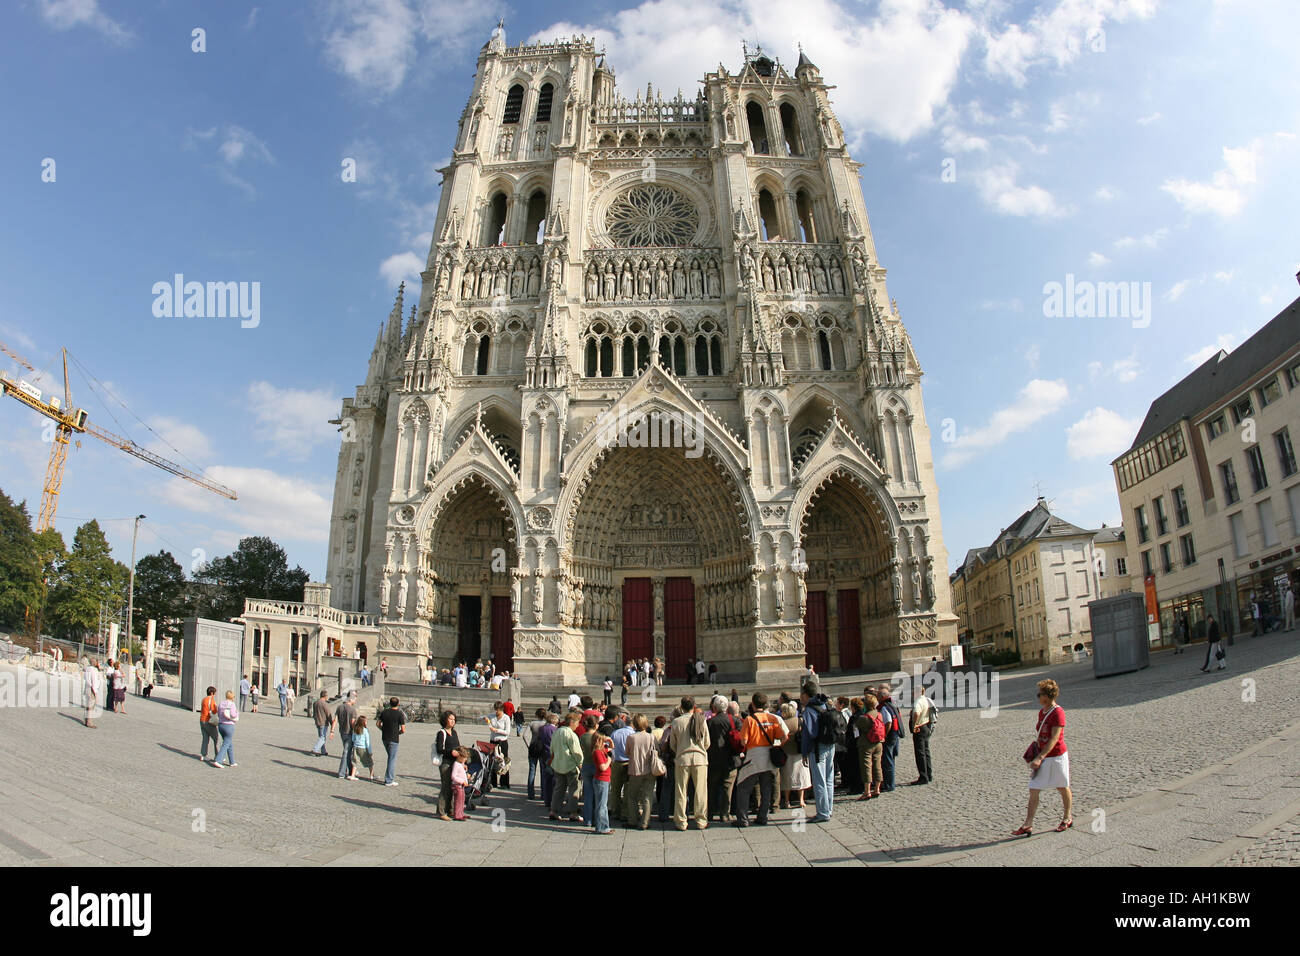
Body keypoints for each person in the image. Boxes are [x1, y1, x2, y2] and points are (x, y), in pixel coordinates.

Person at [1014, 678, 1073, 835]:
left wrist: (1040, 757)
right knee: (1034, 788)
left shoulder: (1058, 712)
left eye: (1039, 694)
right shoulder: (1042, 712)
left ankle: (1067, 817)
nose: (1038, 697)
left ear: (1047, 696)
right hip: (1042, 755)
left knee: (1062, 786)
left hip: (1056, 756)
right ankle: (1028, 824)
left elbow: (1054, 738)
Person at [732, 692, 788, 827]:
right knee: (766, 788)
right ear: (766, 704)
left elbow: (744, 741)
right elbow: (784, 736)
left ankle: (743, 818)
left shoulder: (750, 720)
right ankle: (763, 816)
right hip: (769, 754)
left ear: (752, 704)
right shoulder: (772, 718)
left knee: (743, 786)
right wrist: (778, 746)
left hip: (754, 755)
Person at [670, 696, 710, 830]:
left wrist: (681, 750)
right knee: (700, 791)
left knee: (681, 791)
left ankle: (681, 821)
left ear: (681, 707)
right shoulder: (701, 720)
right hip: (700, 759)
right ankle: (701, 820)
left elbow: (673, 744)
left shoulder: (676, 722)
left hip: (682, 759)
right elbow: (707, 742)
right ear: (694, 706)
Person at [799, 681, 837, 823]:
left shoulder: (809, 710)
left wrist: (804, 753)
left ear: (806, 695)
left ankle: (822, 813)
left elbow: (808, 733)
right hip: (830, 745)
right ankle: (828, 809)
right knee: (828, 779)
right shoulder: (826, 704)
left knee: (819, 780)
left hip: (817, 748)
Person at [706, 695, 742, 824]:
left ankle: (709, 813)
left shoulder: (710, 722)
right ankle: (724, 814)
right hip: (730, 759)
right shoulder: (734, 721)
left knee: (712, 787)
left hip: (714, 759)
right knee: (728, 788)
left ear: (715, 707)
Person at [624, 714, 658, 830]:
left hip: (635, 769)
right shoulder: (651, 737)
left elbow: (627, 753)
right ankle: (645, 822)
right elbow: (657, 751)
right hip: (649, 770)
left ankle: (632, 820)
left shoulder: (631, 737)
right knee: (647, 797)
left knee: (632, 796)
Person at [548, 710, 584, 822]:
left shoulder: (557, 732)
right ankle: (573, 812)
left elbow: (552, 749)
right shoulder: (571, 735)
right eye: (577, 722)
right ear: (572, 722)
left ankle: (553, 811)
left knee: (559, 789)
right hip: (570, 765)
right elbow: (576, 752)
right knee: (574, 789)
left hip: (558, 764)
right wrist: (581, 764)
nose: (578, 725)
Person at [779, 701, 809, 809]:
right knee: (801, 776)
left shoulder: (783, 723)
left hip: (786, 752)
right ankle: (801, 799)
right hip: (799, 751)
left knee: (787, 777)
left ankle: (787, 801)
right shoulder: (799, 721)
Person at [855, 693, 885, 800]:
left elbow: (857, 728)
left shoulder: (864, 717)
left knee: (866, 767)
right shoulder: (879, 714)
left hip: (866, 744)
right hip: (879, 743)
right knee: (877, 765)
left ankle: (867, 791)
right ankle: (877, 788)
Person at [435, 711, 461, 821]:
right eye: (450, 719)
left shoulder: (454, 732)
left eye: (454, 719)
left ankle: (450, 810)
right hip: (445, 762)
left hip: (455, 762)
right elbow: (439, 749)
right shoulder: (441, 733)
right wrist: (451, 752)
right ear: (445, 720)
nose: (452, 721)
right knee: (445, 787)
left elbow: (458, 746)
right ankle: (441, 811)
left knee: (453, 787)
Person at [877, 684, 903, 792]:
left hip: (890, 736)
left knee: (887, 761)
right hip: (895, 735)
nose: (877, 699)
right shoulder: (892, 704)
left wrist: (884, 734)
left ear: (882, 697)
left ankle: (889, 785)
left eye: (878, 696)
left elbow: (888, 722)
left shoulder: (884, 707)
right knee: (890, 759)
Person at [909, 683, 935, 785]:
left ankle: (923, 776)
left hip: (919, 727)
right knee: (926, 751)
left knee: (920, 753)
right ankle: (929, 774)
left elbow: (916, 713)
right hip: (926, 726)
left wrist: (914, 725)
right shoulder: (925, 699)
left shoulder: (918, 702)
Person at [378, 697, 406, 787]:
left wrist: (383, 729)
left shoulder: (384, 712)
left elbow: (377, 724)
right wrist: (398, 733)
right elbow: (403, 729)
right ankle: (389, 780)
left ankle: (388, 778)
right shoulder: (399, 714)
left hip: (385, 737)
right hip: (394, 738)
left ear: (390, 703)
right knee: (392, 759)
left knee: (390, 757)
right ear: (398, 704)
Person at [590, 732, 615, 834]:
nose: (604, 742)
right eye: (602, 740)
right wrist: (609, 760)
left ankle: (603, 826)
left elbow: (612, 748)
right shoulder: (597, 752)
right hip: (601, 779)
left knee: (602, 804)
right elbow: (602, 767)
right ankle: (602, 827)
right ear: (598, 741)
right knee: (602, 805)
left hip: (604, 779)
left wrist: (609, 740)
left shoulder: (602, 749)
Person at [485, 701, 512, 790]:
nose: (496, 712)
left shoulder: (506, 718)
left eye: (498, 710)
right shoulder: (492, 716)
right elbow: (488, 721)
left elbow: (507, 732)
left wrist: (497, 730)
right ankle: (493, 782)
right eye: (495, 710)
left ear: (501, 710)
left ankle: (504, 782)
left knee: (503, 761)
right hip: (493, 741)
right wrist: (487, 721)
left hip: (502, 742)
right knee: (492, 761)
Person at [335, 690, 359, 780]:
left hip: (342, 732)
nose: (356, 700)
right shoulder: (352, 710)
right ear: (351, 699)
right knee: (346, 752)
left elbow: (335, 719)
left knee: (348, 752)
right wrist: (357, 732)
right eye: (355, 698)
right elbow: (353, 723)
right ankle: (341, 772)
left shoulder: (340, 707)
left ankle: (350, 771)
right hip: (349, 733)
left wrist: (332, 731)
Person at [525, 708, 548, 800]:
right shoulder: (546, 724)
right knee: (543, 772)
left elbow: (525, 735)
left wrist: (529, 745)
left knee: (532, 770)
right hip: (543, 748)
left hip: (533, 747)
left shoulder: (532, 723)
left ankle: (531, 794)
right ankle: (543, 793)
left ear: (536, 714)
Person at [213, 690, 238, 768]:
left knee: (228, 742)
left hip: (221, 725)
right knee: (226, 743)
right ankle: (218, 760)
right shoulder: (232, 704)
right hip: (229, 725)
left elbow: (218, 713)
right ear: (232, 697)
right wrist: (237, 713)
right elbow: (233, 714)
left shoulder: (221, 703)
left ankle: (232, 761)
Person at [351, 715, 375, 781]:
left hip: (356, 747)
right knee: (370, 762)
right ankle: (371, 775)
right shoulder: (365, 730)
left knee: (355, 762)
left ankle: (352, 775)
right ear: (363, 723)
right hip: (363, 748)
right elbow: (367, 742)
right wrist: (370, 751)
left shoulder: (355, 729)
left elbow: (353, 739)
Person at [450, 748, 471, 821]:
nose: (465, 760)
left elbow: (462, 771)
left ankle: (461, 813)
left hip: (461, 786)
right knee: (458, 800)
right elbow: (453, 776)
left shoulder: (460, 764)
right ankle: (457, 815)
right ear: (459, 757)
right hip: (457, 785)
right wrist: (462, 781)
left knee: (462, 800)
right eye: (464, 758)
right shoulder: (456, 765)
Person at [310, 690, 333, 756]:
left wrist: (315, 719)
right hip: (323, 722)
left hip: (317, 722)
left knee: (321, 737)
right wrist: (332, 723)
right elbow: (328, 714)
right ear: (325, 696)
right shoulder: (324, 704)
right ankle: (315, 749)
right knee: (323, 737)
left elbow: (314, 713)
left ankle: (323, 750)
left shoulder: (315, 703)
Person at [81, 660, 101, 729]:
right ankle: (89, 722)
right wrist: (95, 692)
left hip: (87, 688)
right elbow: (94, 681)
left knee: (87, 705)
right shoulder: (94, 670)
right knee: (91, 707)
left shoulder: (87, 669)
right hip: (92, 689)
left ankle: (86, 720)